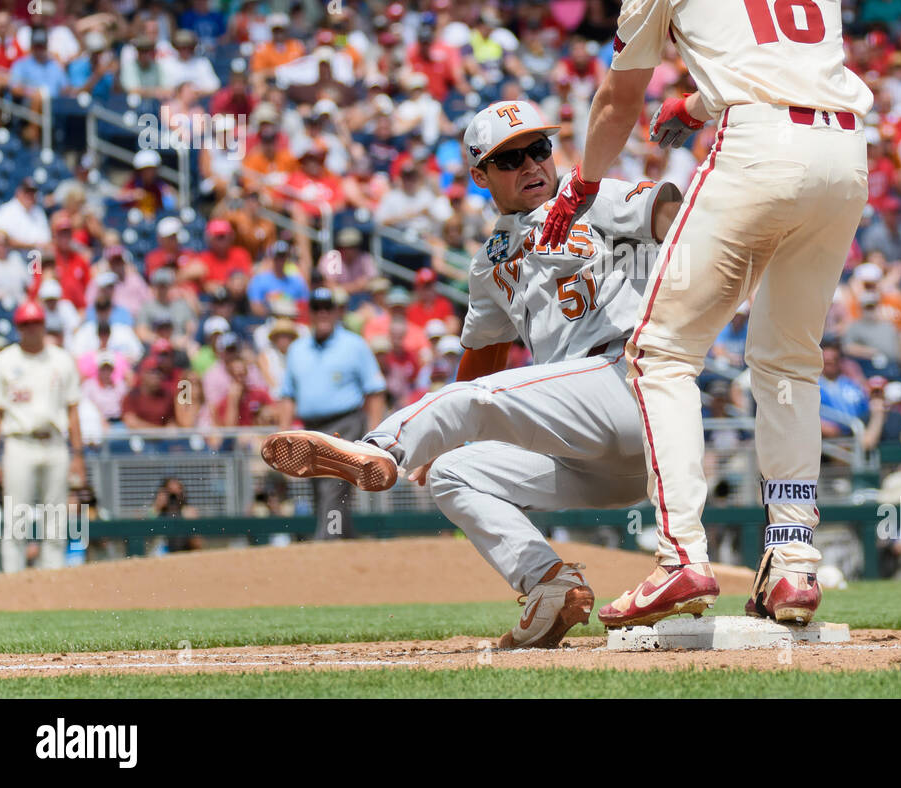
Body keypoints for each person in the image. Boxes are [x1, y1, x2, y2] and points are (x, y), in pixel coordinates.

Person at [537, 0, 871, 628]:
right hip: (845, 150)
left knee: (661, 353)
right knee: (789, 359)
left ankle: (681, 557)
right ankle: (792, 559)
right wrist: (696, 101)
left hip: (759, 146)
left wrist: (583, 184)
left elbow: (619, 102)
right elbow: (788, 54)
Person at [261, 100, 682, 648]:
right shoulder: (490, 259)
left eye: (539, 149)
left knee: (476, 401)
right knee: (453, 473)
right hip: (591, 450)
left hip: (630, 385)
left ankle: (380, 448)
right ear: (480, 175)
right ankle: (548, 586)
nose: (531, 165)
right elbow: (483, 356)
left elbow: (667, 206)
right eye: (510, 159)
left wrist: (694, 268)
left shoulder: (588, 197)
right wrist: (443, 436)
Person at [271, 287, 386, 540]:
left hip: (346, 423)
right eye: (316, 308)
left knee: (333, 484)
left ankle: (326, 542)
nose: (322, 313)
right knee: (320, 486)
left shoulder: (354, 345)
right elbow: (287, 395)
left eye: (327, 308)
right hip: (311, 427)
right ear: (309, 313)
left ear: (336, 311)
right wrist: (282, 433)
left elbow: (375, 391)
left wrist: (375, 433)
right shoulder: (297, 349)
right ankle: (347, 542)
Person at [0, 302, 84, 572]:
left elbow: (73, 411)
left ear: (44, 325)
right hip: (19, 442)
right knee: (17, 518)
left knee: (55, 521)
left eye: (36, 322)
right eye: (25, 324)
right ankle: (15, 585)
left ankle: (51, 583)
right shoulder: (3, 362)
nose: (31, 329)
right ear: (18, 328)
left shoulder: (61, 359)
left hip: (54, 442)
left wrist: (78, 456)